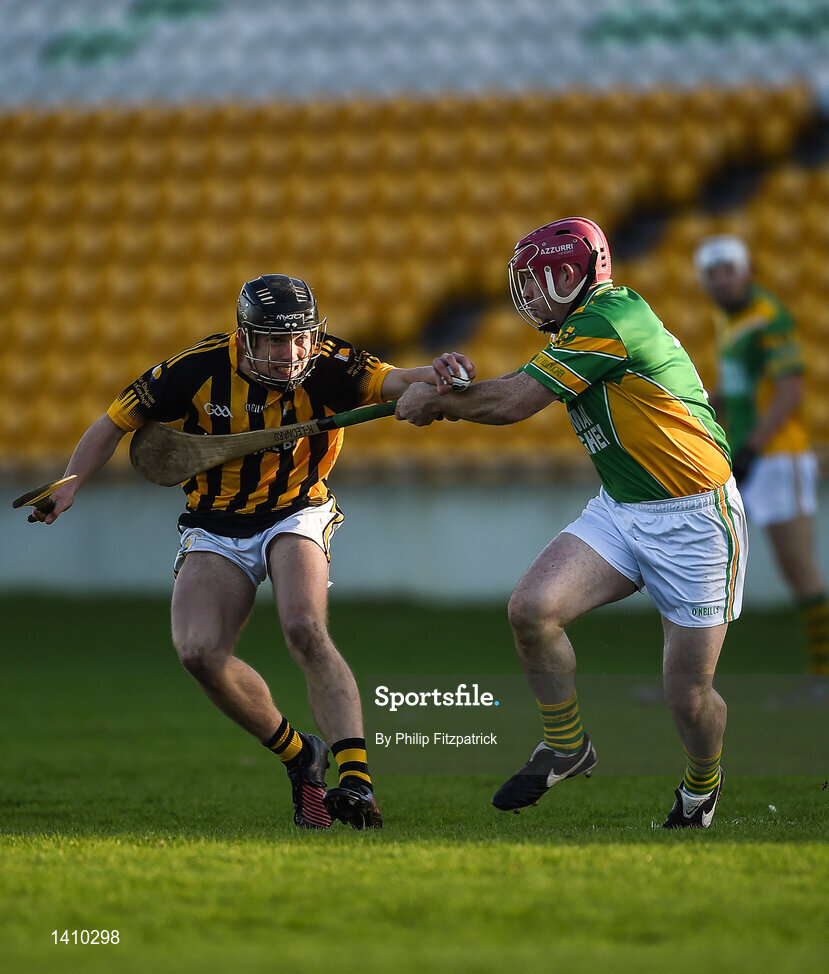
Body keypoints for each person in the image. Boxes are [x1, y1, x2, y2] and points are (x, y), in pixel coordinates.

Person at [29, 274, 475, 831]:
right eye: (275, 341)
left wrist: (436, 374)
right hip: (214, 523)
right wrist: (70, 482)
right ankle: (300, 755)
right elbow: (114, 423)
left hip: (297, 509)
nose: (291, 354)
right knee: (198, 652)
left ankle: (357, 781)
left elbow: (396, 380)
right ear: (245, 337)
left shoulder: (331, 364)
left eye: (300, 339)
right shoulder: (194, 370)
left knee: (304, 628)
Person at [396, 217, 748, 829]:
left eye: (536, 282)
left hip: (696, 519)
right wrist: (445, 389)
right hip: (622, 508)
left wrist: (441, 404)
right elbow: (513, 387)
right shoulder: (583, 326)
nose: (528, 297)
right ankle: (566, 747)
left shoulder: (611, 318)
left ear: (570, 274)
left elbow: (516, 402)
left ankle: (701, 787)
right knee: (531, 610)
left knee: (688, 696)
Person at [694, 235, 828, 695]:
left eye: (728, 271)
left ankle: (824, 676)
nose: (721, 281)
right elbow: (736, 391)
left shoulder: (769, 316)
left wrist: (752, 446)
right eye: (712, 274)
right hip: (745, 457)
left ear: (747, 272)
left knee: (798, 567)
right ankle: (689, 682)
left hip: (778, 456)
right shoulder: (726, 321)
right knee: (703, 565)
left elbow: (790, 391)